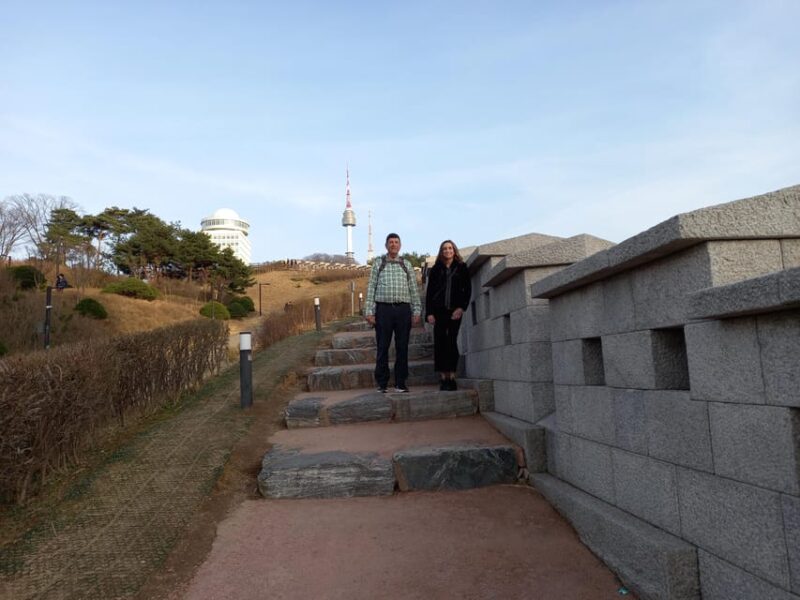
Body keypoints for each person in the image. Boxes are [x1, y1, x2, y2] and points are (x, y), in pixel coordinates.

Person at [364, 233, 421, 393]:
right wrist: (369, 311)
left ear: (400, 245)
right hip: (383, 310)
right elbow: (371, 288)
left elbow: (414, 290)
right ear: (386, 245)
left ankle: (400, 383)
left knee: (402, 347)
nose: (394, 245)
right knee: (383, 347)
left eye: (396, 242)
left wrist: (416, 311)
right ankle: (382, 383)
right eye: (391, 242)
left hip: (403, 310)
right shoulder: (378, 264)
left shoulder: (406, 264)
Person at [425, 240, 472, 390]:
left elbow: (468, 289)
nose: (448, 251)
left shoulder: (462, 267)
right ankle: (443, 377)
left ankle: (451, 376)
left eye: (450, 248)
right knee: (440, 342)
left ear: (454, 250)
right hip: (438, 312)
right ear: (441, 251)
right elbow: (430, 293)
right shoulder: (435, 269)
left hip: (454, 311)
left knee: (451, 341)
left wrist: (461, 308)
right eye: (445, 248)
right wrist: (429, 313)